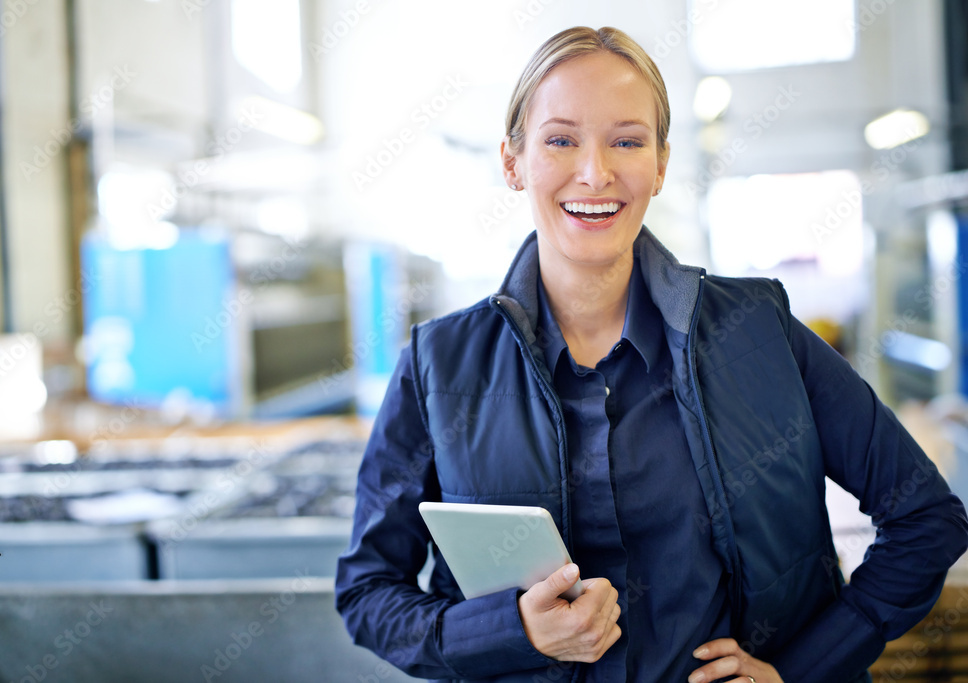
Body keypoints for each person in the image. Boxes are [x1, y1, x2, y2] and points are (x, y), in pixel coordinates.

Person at [335, 25, 968, 683]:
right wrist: (513, 629)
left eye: (627, 141)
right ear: (513, 161)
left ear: (661, 163)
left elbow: (925, 517)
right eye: (560, 139)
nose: (595, 172)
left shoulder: (758, 332)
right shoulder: (440, 365)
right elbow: (368, 591)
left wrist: (801, 669)